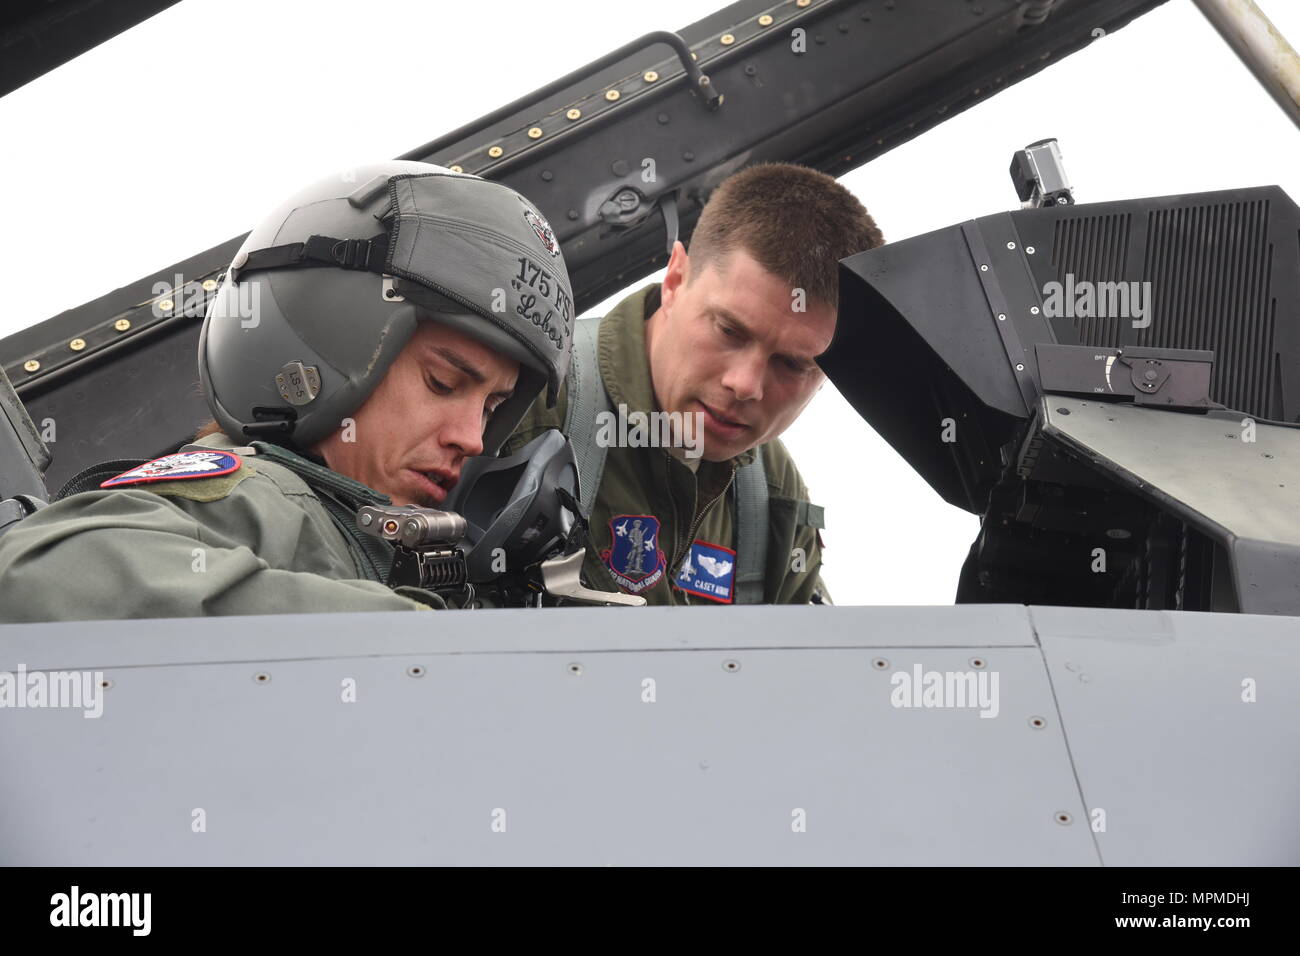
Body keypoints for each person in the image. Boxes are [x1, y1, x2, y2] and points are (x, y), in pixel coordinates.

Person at [0, 161, 574, 622]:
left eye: (492, 407)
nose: (472, 437)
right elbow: (34, 577)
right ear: (322, 351)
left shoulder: (362, 532)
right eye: (443, 382)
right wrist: (421, 645)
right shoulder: (262, 498)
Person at [504, 163, 883, 605]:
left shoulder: (771, 497)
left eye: (793, 364)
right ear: (675, 279)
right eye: (729, 331)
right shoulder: (520, 401)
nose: (745, 385)